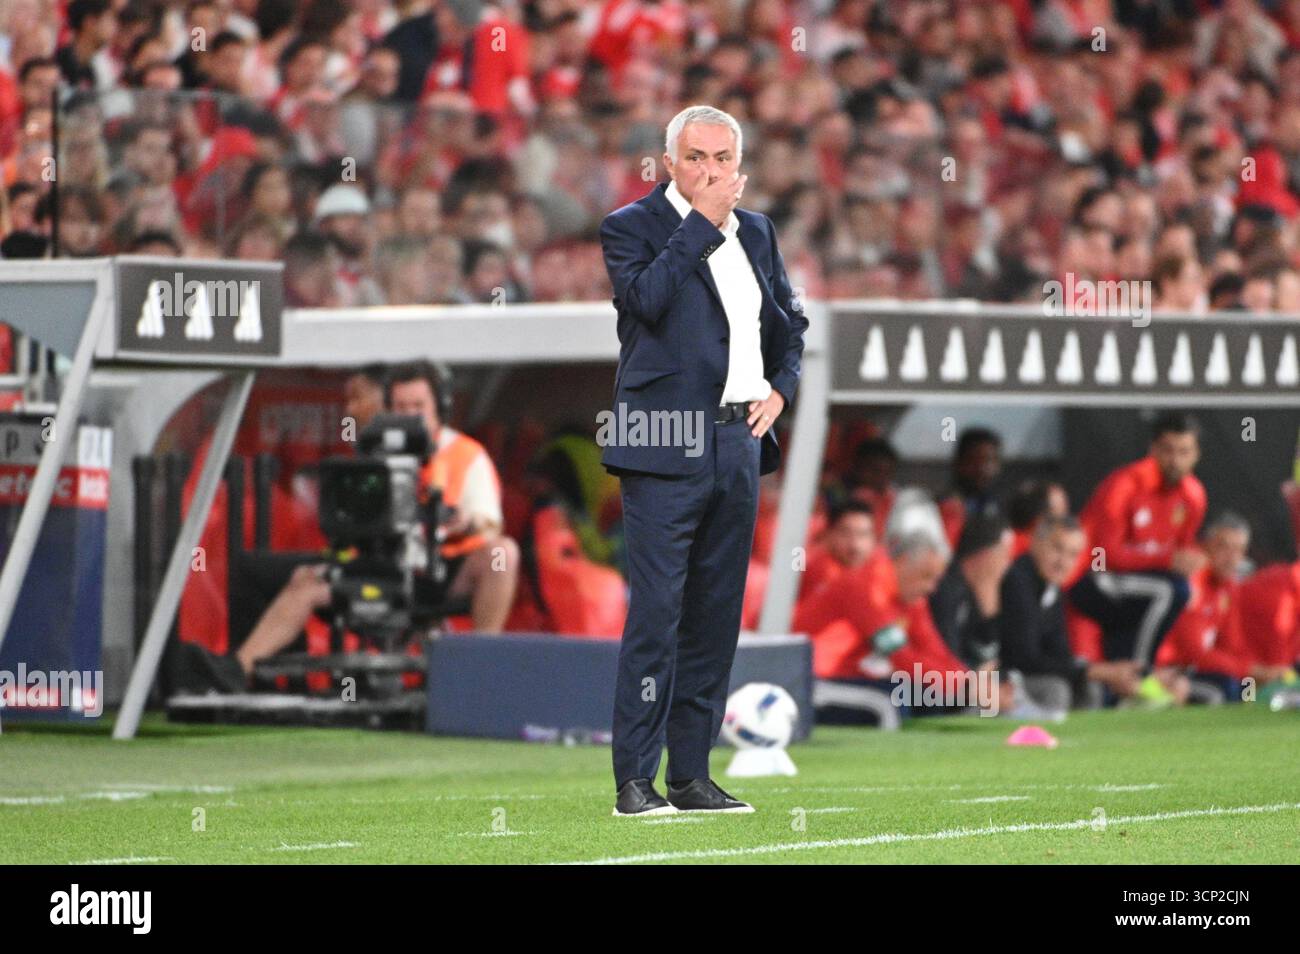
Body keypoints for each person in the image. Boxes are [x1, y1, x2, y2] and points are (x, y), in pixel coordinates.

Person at [599, 105, 808, 816]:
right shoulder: (630, 227)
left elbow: (790, 324)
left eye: (723, 159)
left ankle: (690, 775)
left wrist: (780, 392)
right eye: (696, 158)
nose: (710, 172)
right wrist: (701, 225)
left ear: (739, 164)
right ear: (668, 164)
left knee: (716, 617)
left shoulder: (759, 232)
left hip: (737, 440)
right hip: (664, 438)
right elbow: (645, 303)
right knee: (656, 614)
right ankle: (634, 781)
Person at [1069, 412, 1206, 675]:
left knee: (1179, 588)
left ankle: (1127, 677)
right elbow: (1105, 555)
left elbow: (1184, 550)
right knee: (1171, 591)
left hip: (1139, 586)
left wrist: (1191, 566)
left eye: (1184, 452)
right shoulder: (1124, 485)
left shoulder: (1194, 496)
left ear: (1196, 454)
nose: (1175, 461)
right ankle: (1140, 675)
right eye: (1168, 451)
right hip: (1092, 577)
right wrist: (1167, 559)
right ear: (1152, 449)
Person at [1000, 514, 1140, 712]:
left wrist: (1092, 672)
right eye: (1057, 549)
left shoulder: (1053, 588)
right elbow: (1024, 658)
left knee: (1089, 686)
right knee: (1057, 689)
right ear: (1035, 543)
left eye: (1073, 554)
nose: (1063, 562)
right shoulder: (1017, 580)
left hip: (1027, 674)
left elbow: (1060, 652)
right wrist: (1093, 671)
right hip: (998, 677)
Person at [929, 512, 1013, 670]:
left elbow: (986, 655)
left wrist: (989, 611)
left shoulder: (974, 590)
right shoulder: (945, 589)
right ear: (984, 556)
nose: (1007, 565)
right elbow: (949, 656)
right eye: (1004, 555)